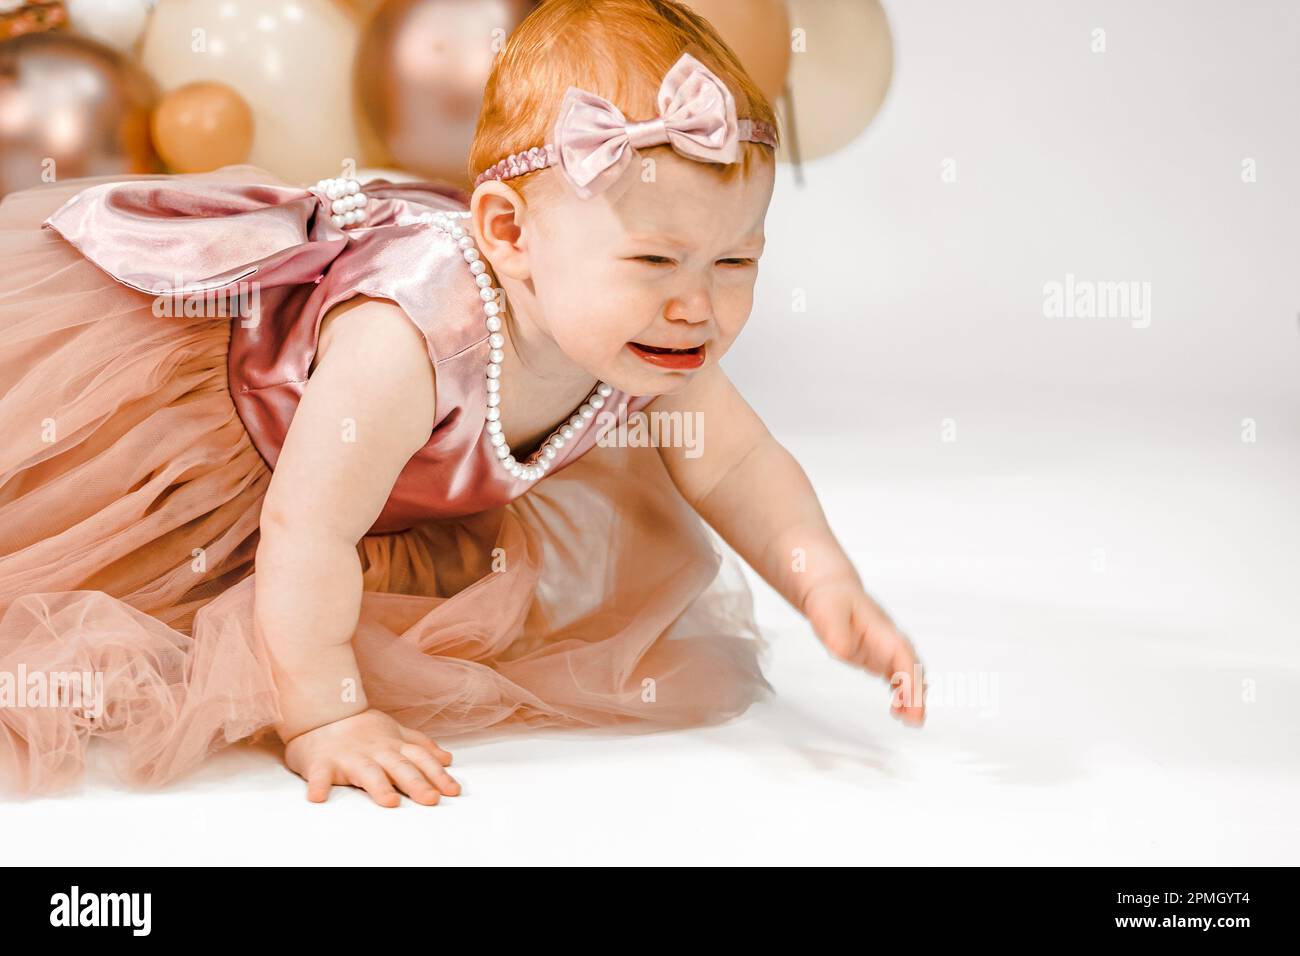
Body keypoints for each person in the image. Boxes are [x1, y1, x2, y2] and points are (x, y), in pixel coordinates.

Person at [0, 0, 924, 806]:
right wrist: (325, 713)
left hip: (384, 492)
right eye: (654, 260)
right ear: (510, 235)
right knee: (89, 570)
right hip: (230, 443)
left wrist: (824, 579)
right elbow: (308, 529)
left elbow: (739, 464)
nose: (697, 305)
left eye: (736, 262)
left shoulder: (647, 336)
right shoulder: (409, 337)